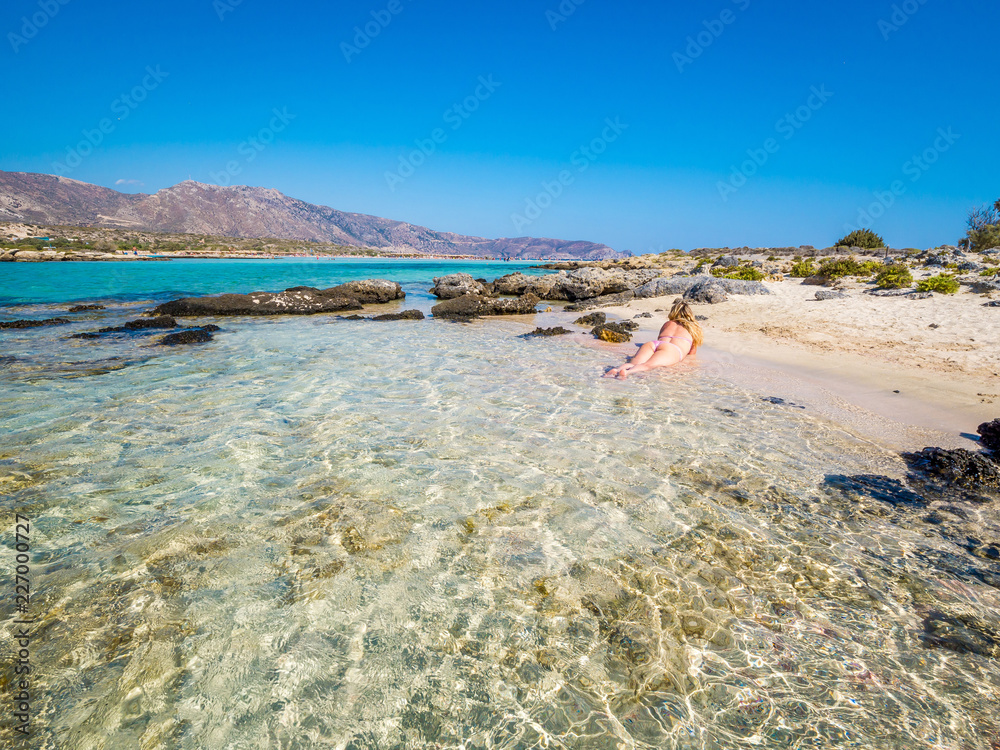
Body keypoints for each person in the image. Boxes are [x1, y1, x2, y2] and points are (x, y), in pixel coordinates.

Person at [603, 299, 703, 379]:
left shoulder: (667, 324)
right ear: (690, 314)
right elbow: (691, 354)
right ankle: (627, 372)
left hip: (653, 344)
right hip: (671, 349)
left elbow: (660, 342)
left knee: (633, 363)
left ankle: (616, 370)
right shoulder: (693, 328)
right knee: (647, 366)